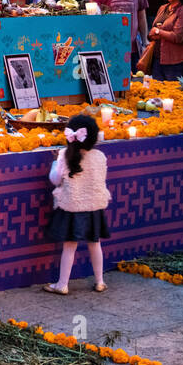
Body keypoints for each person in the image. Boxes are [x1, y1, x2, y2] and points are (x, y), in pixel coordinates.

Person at [43, 114, 111, 294]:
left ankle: (62, 284)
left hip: (73, 207)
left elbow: (55, 180)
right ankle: (100, 281)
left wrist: (53, 165)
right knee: (94, 244)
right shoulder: (100, 156)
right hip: (94, 207)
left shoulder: (65, 155)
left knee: (69, 246)